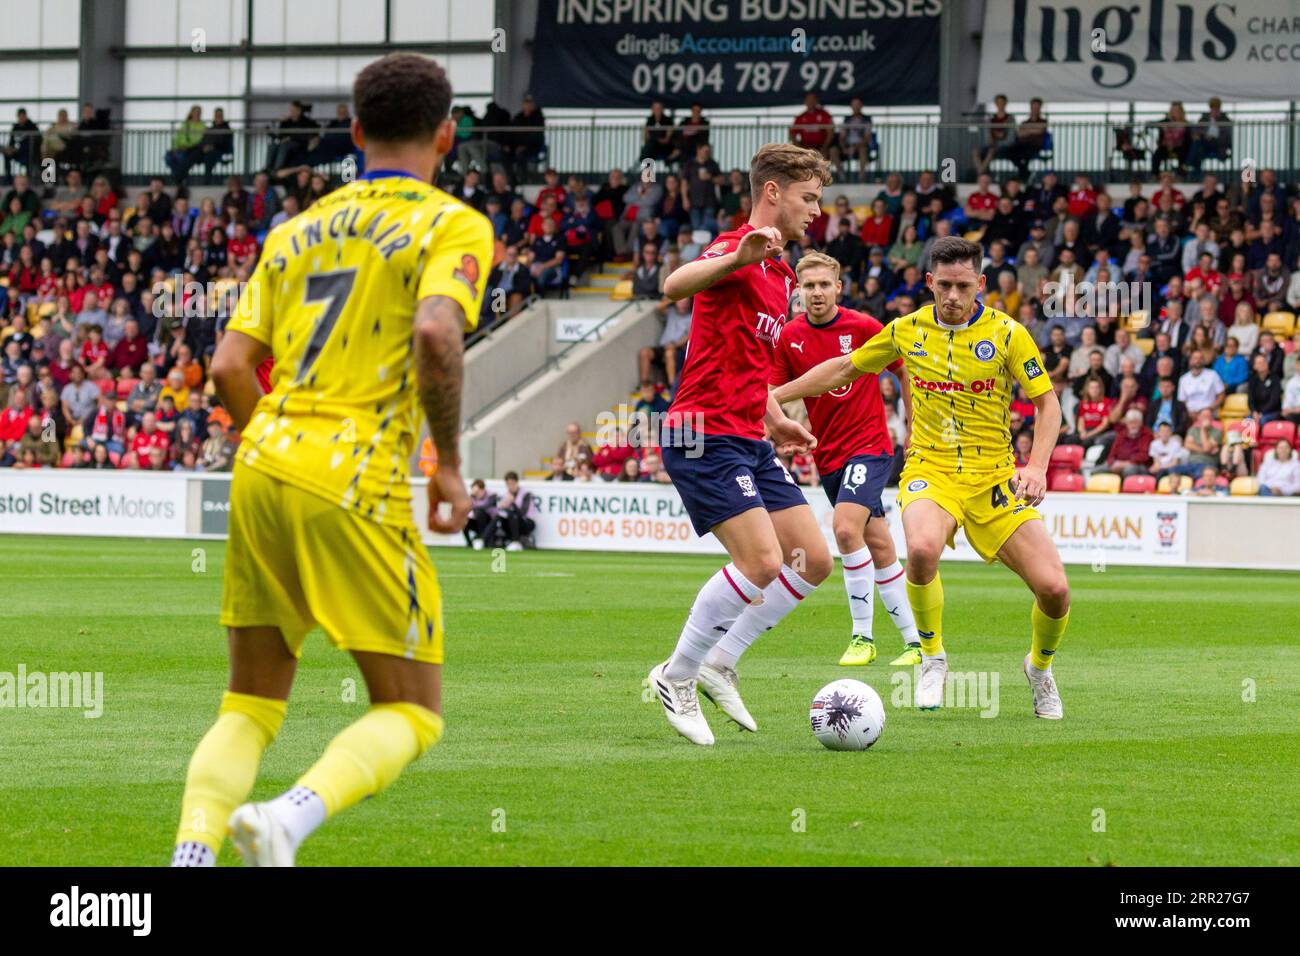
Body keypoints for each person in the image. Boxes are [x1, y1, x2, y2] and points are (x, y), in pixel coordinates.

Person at [170, 53, 493, 868]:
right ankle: (287, 819)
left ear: (353, 133)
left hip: (263, 457)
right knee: (414, 711)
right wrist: (449, 463)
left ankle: (192, 856)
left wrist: (277, 450)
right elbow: (434, 332)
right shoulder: (453, 223)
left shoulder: (293, 230)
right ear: (447, 135)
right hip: (354, 473)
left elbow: (229, 367)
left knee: (248, 703)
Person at [773, 236, 1069, 720]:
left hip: (993, 478)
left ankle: (1039, 669)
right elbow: (845, 367)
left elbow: (1047, 403)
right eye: (944, 285)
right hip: (929, 469)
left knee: (1055, 591)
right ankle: (933, 659)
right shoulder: (905, 330)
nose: (953, 296)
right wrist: (772, 397)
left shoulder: (1009, 333)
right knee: (924, 551)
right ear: (929, 282)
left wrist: (1035, 465)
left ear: (981, 284)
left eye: (963, 286)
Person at [647, 143, 832, 747]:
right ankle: (676, 677)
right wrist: (736, 258)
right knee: (761, 562)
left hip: (747, 434)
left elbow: (747, 364)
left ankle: (721, 662)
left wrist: (775, 418)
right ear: (773, 192)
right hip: (702, 432)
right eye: (808, 198)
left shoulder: (781, 274)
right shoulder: (736, 247)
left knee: (813, 558)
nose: (815, 212)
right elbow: (675, 285)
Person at [768, 251, 921, 666]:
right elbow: (772, 394)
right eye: (809, 286)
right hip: (829, 455)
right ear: (798, 291)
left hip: (870, 446)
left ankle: (862, 638)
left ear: (839, 286)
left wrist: (912, 425)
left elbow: (903, 370)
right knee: (878, 543)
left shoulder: (864, 327)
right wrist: (781, 431)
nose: (816, 292)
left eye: (823, 284)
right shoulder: (789, 336)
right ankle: (915, 643)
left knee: (845, 530)